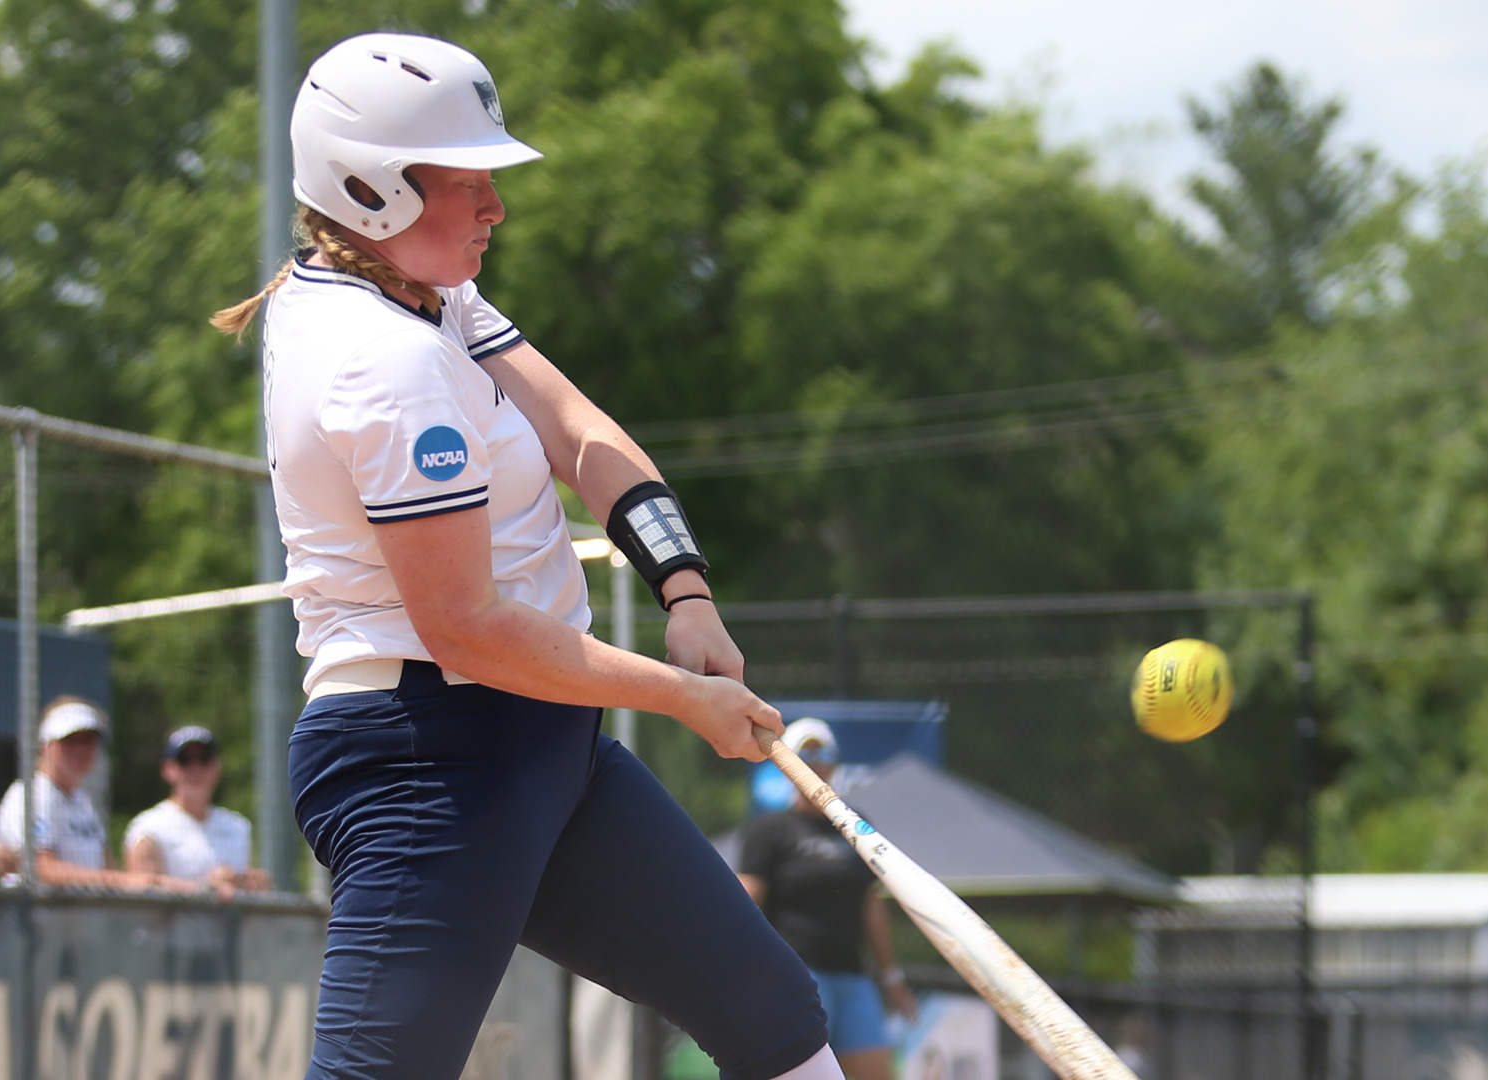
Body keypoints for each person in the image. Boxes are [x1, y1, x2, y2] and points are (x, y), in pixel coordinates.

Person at [211, 31, 836, 1080]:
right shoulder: (383, 360)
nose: (496, 206)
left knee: (775, 1020)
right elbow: (467, 625)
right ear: (375, 192)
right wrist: (683, 698)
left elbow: (580, 434)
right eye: (470, 182)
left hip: (544, 744)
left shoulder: (423, 293)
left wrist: (685, 592)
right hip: (428, 761)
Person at [738, 719, 918, 1080]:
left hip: (853, 975)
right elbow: (745, 902)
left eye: (823, 754)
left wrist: (891, 975)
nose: (815, 764)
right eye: (805, 755)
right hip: (799, 975)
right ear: (788, 765)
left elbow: (871, 903)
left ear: (836, 763)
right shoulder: (771, 830)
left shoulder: (854, 824)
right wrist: (740, 971)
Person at [0, 697, 184, 891]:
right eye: (70, 740)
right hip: (32, 921)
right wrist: (124, 881)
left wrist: (156, 884)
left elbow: (107, 865)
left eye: (88, 741)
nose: (80, 749)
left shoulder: (81, 801)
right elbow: (41, 868)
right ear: (45, 746)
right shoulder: (31, 795)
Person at [123, 726, 271, 894]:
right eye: (185, 760)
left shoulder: (238, 826)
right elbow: (141, 893)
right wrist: (206, 889)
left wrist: (251, 883)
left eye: (204, 759)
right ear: (167, 769)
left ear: (217, 767)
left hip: (227, 920)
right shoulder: (149, 828)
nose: (196, 769)